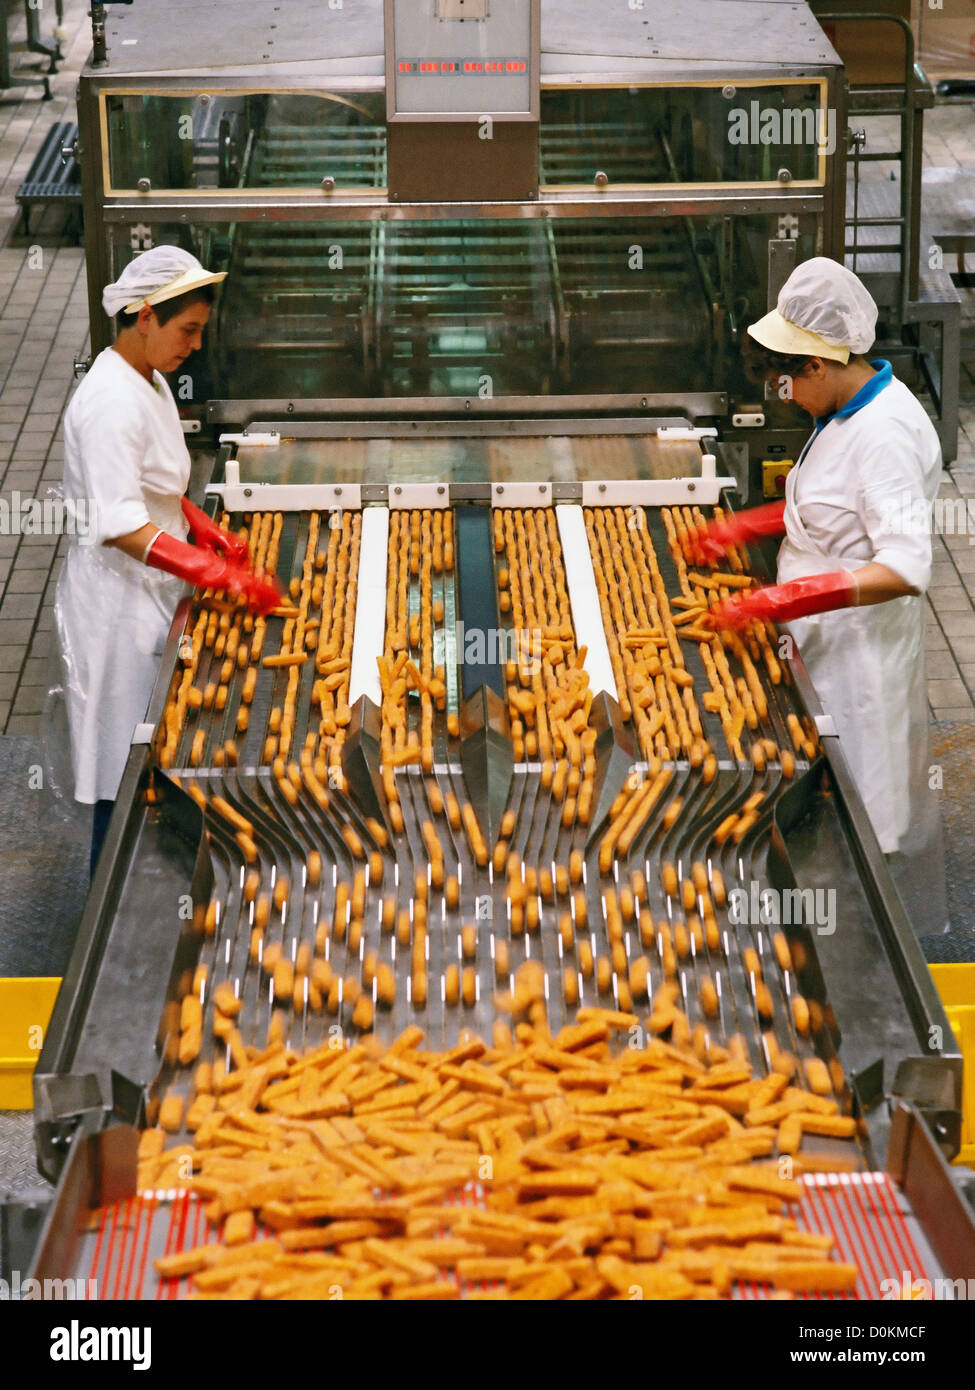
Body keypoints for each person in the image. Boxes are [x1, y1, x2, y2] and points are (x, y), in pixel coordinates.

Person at [697, 257, 946, 929]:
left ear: (816, 364)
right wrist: (745, 525)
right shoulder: (841, 410)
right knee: (823, 798)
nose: (782, 397)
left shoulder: (883, 435)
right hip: (819, 644)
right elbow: (832, 513)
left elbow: (902, 568)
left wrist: (781, 601)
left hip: (858, 661)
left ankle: (868, 945)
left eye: (785, 382)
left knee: (861, 829)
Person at [55, 246, 280, 877]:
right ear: (146, 316)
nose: (197, 346)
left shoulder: (145, 379)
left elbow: (151, 484)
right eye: (189, 330)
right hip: (117, 608)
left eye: (201, 331)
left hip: (153, 590)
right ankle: (110, 887)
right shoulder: (109, 402)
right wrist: (215, 573)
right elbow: (120, 523)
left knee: (144, 745)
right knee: (118, 763)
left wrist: (200, 525)